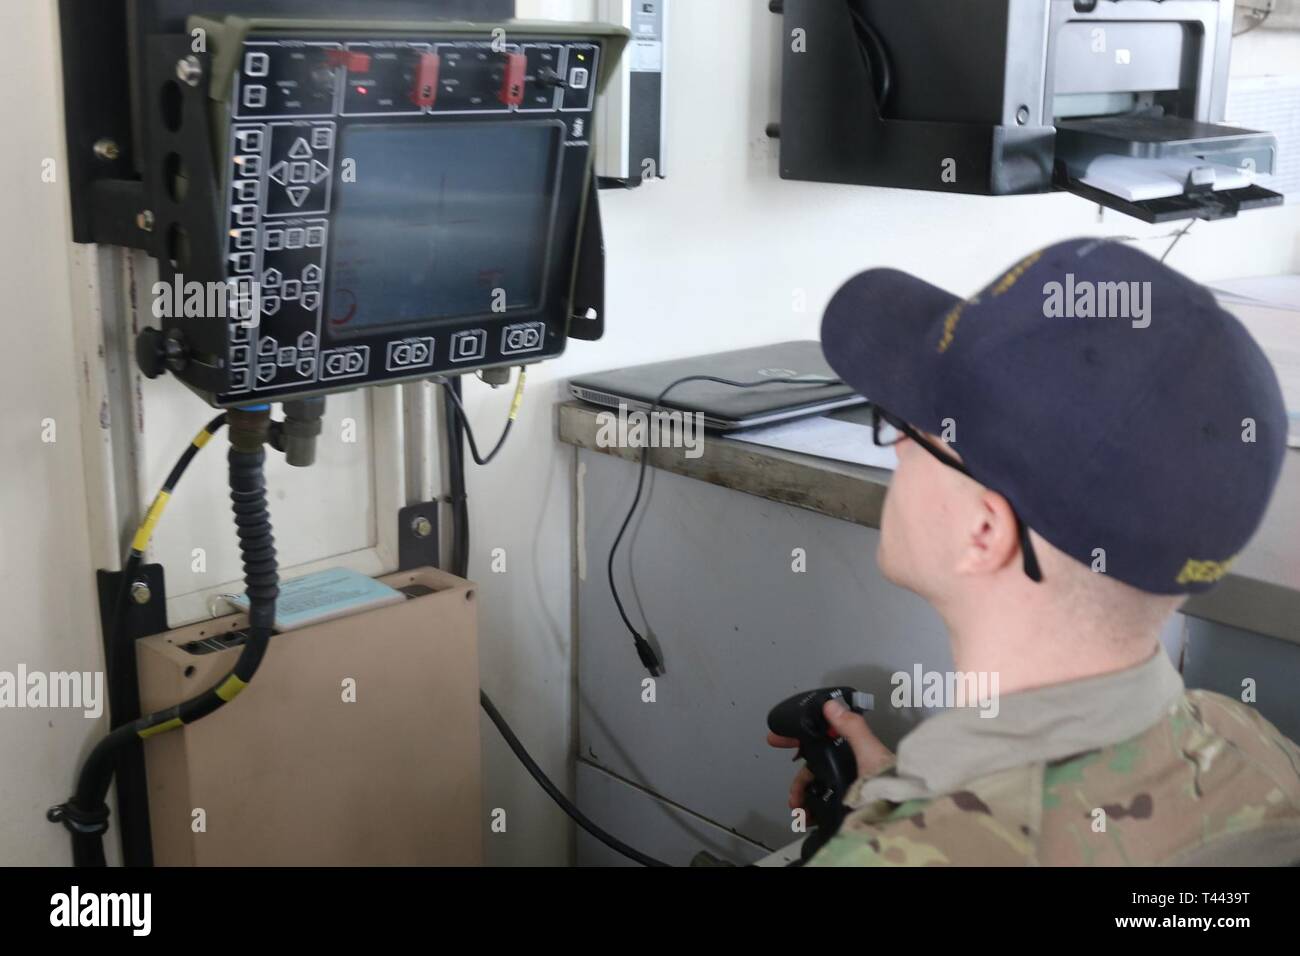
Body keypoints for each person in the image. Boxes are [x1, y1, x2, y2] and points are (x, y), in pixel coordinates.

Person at [769, 238, 1300, 865]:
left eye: (910, 427)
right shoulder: (1256, 750)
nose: (897, 449)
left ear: (985, 532)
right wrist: (893, 798)